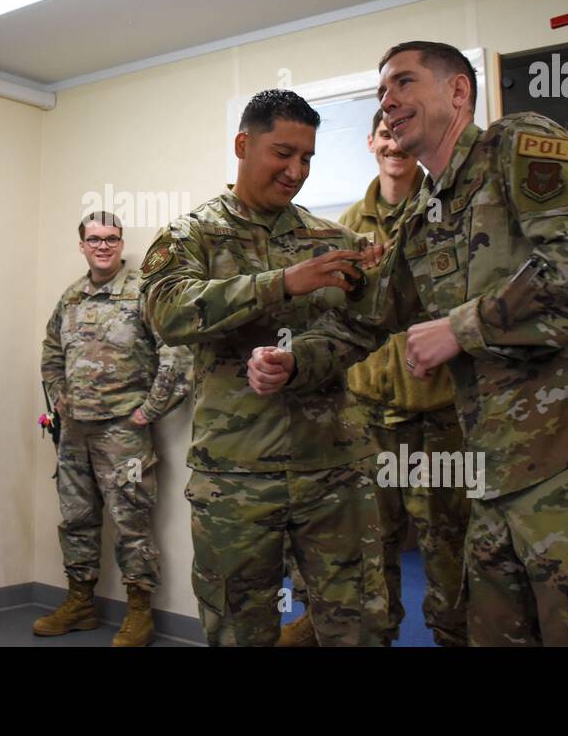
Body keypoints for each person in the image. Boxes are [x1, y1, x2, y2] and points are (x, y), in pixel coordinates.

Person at [257, 42, 568, 646]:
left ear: (458, 91)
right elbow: (366, 321)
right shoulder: (427, 216)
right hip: (493, 479)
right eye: (381, 92)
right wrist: (294, 362)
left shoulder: (517, 145)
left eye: (403, 82)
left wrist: (461, 328)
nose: (388, 101)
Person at [141, 89, 388, 647]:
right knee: (238, 627)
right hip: (236, 475)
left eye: (307, 157)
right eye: (283, 153)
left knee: (359, 624)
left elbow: (366, 326)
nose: (296, 171)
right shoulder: (193, 235)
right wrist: (281, 284)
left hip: (333, 468)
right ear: (242, 145)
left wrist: (301, 363)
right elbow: (166, 312)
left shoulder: (333, 240)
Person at [281, 108, 468, 647]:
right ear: (371, 142)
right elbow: (329, 314)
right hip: (366, 416)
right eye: (385, 135)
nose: (394, 145)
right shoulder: (341, 226)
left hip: (438, 413)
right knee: (369, 546)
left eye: (400, 135)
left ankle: (454, 636)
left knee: (448, 545)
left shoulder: (447, 213)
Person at [37, 211, 191, 647]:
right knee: (76, 519)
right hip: (74, 432)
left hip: (123, 433)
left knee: (131, 524)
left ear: (121, 244)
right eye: (94, 239)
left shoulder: (144, 292)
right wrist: (59, 395)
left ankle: (140, 614)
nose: (102, 246)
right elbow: (51, 351)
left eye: (111, 239)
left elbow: (177, 355)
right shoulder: (71, 297)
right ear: (82, 245)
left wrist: (148, 412)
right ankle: (80, 603)